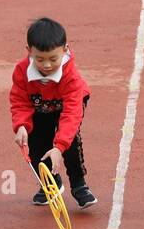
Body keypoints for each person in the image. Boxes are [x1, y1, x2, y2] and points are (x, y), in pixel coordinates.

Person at [9, 18, 97, 210]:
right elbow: (19, 101)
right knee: (36, 142)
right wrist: (21, 125)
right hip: (40, 107)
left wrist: (59, 146)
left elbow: (72, 114)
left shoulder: (70, 77)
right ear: (29, 50)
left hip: (67, 107)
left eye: (53, 59)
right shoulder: (21, 71)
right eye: (39, 59)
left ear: (65, 50)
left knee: (71, 144)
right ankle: (50, 183)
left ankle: (79, 184)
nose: (46, 65)